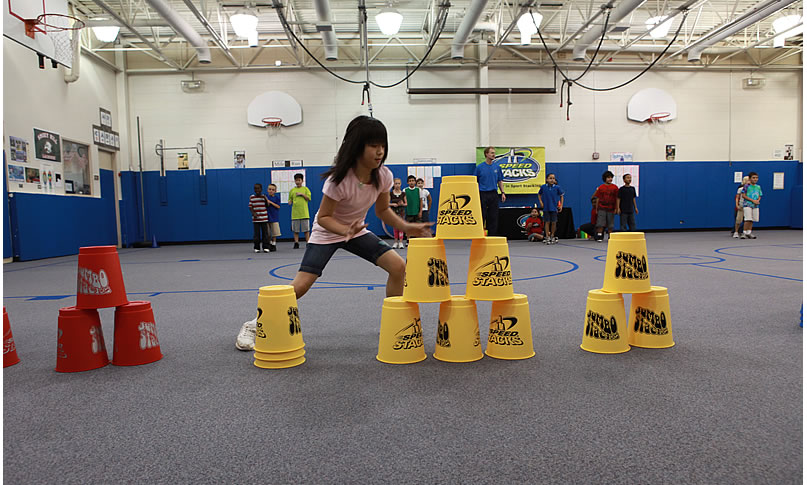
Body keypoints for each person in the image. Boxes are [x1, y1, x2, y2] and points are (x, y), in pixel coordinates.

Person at [236, 115, 432, 350]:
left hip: (356, 232)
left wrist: (407, 227)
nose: (380, 151)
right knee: (300, 286)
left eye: (382, 145)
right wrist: (344, 229)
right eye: (373, 145)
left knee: (399, 267)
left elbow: (382, 210)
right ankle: (253, 325)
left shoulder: (383, 176)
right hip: (327, 233)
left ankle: (394, 321)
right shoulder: (338, 180)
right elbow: (324, 218)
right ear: (357, 147)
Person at [474, 146, 506, 236]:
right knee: (482, 215)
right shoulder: (479, 168)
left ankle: (492, 235)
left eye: (494, 153)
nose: (493, 155)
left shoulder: (497, 167)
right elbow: (475, 182)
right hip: (482, 194)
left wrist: (503, 192)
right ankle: (479, 234)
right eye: (491, 153)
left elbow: (500, 181)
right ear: (486, 154)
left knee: (493, 216)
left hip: (493, 194)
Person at [538, 173, 564, 244]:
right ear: (547, 179)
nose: (552, 180)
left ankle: (552, 236)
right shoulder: (543, 187)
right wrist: (541, 202)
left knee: (553, 222)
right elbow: (539, 194)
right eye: (550, 178)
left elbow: (561, 196)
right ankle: (547, 236)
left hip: (554, 207)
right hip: (546, 207)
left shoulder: (557, 187)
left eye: (553, 178)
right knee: (547, 222)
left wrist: (561, 205)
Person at [593, 170, 619, 242]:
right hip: (602, 208)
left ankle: (610, 236)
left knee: (610, 224)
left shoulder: (615, 187)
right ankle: (599, 236)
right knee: (600, 223)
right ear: (605, 178)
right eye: (608, 177)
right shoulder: (601, 187)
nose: (610, 179)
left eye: (611, 177)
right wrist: (596, 208)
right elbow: (597, 198)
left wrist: (617, 208)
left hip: (611, 208)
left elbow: (617, 198)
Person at [289, 173, 312, 249]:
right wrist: (290, 201)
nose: (298, 182)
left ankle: (308, 242)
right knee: (296, 230)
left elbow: (309, 198)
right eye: (296, 180)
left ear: (302, 180)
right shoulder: (292, 190)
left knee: (306, 230)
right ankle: (296, 242)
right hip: (295, 214)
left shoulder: (305, 189)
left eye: (299, 180)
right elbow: (290, 199)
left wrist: (302, 194)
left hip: (304, 213)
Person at [249, 183, 271, 253]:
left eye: (258, 188)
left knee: (265, 234)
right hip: (256, 220)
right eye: (255, 188)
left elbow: (267, 205)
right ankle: (257, 247)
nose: (257, 190)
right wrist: (253, 213)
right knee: (256, 235)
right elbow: (250, 207)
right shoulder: (252, 197)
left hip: (264, 218)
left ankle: (266, 247)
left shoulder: (263, 197)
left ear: (261, 189)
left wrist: (265, 199)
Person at [740, 172, 762, 239]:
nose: (755, 179)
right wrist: (752, 200)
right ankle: (744, 233)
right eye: (753, 178)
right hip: (747, 205)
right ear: (750, 178)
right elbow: (743, 195)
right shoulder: (746, 186)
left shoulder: (758, 187)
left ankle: (749, 232)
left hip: (755, 205)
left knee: (752, 219)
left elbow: (760, 195)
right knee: (748, 219)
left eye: (756, 178)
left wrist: (757, 200)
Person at [403, 175, 422, 245]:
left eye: (413, 181)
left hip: (416, 212)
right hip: (408, 212)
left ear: (415, 182)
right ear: (407, 182)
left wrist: (420, 211)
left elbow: (421, 201)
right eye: (410, 181)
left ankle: (417, 241)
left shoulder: (418, 190)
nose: (411, 182)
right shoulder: (405, 190)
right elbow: (404, 201)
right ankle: (408, 240)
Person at [389, 177, 407, 248]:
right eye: (396, 183)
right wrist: (392, 204)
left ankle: (401, 242)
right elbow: (386, 203)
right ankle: (395, 242)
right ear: (393, 184)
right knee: (395, 228)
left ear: (401, 184)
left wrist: (402, 204)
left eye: (398, 183)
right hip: (394, 212)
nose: (397, 185)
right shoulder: (390, 193)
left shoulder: (403, 194)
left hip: (401, 212)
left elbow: (406, 204)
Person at [265, 184, 281, 251]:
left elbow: (278, 206)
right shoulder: (265, 197)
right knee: (268, 233)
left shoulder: (277, 198)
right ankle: (269, 243)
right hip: (266, 217)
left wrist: (271, 202)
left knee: (275, 232)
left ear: (275, 191)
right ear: (267, 190)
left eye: (273, 189)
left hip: (274, 217)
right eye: (270, 189)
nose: (271, 191)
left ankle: (274, 244)